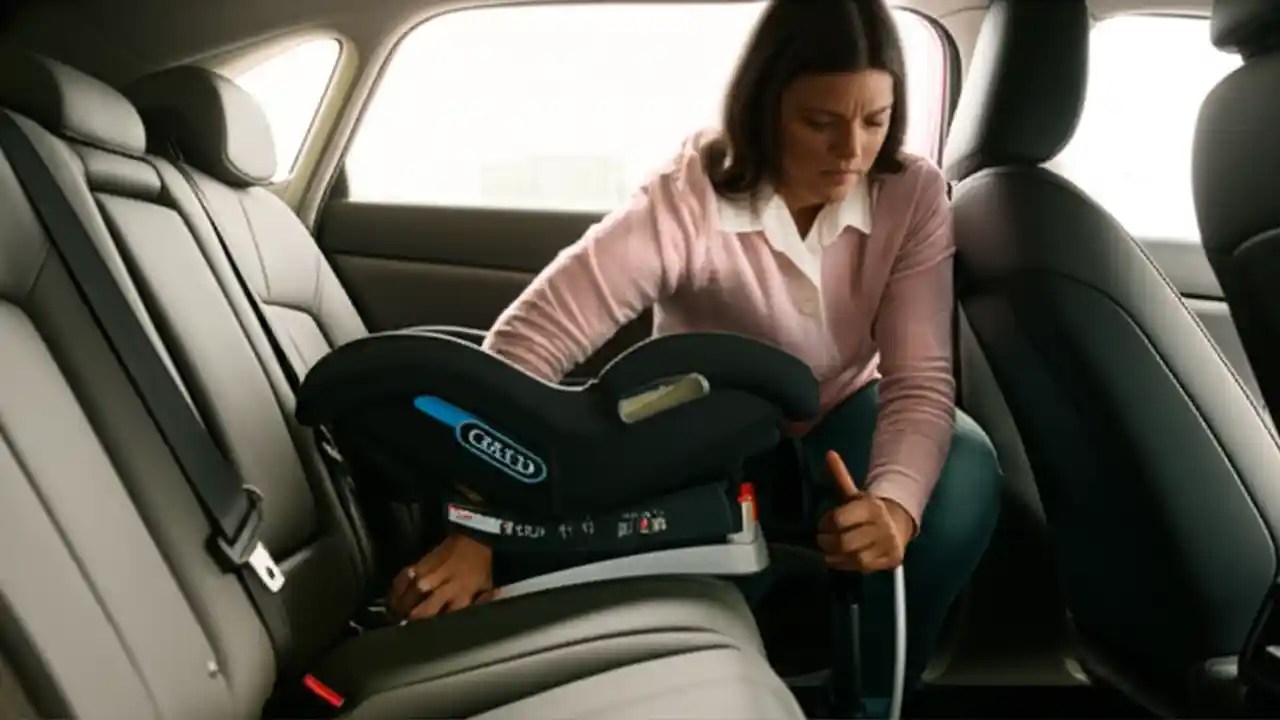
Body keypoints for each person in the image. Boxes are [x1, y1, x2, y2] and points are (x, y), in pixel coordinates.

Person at [386, 0, 1002, 714]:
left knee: (958, 472)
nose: (852, 152)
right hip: (702, 427)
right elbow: (530, 343)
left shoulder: (913, 193)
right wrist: (477, 526)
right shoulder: (690, 195)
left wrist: (894, 508)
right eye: (821, 122)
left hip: (841, 416)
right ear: (764, 109)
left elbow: (920, 380)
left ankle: (871, 695)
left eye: (875, 120)